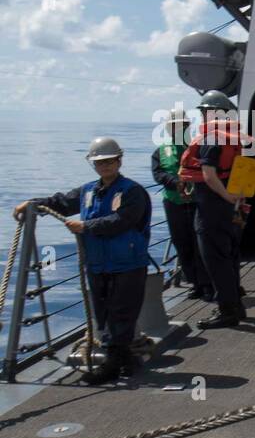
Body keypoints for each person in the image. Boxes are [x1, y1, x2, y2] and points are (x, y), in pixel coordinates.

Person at [13, 137, 152, 385]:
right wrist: (34, 204)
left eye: (109, 161)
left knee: (121, 312)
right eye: (99, 162)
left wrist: (87, 226)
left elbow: (123, 220)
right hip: (97, 264)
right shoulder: (88, 191)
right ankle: (123, 360)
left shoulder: (133, 192)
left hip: (127, 264)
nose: (105, 166)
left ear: (119, 161)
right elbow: (62, 202)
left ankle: (112, 364)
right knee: (103, 313)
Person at [179, 90, 246, 330]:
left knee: (215, 259)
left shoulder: (212, 138)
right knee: (230, 257)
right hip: (231, 208)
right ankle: (237, 305)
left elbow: (208, 175)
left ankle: (227, 311)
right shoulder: (234, 137)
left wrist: (224, 195)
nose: (205, 116)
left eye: (206, 112)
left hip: (212, 208)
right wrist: (234, 199)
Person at [151, 106, 212, 301]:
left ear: (187, 126)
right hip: (173, 203)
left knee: (200, 244)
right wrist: (175, 182)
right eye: (173, 126)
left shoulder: (198, 147)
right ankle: (194, 283)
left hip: (197, 203)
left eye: (181, 125)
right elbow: (158, 174)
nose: (177, 128)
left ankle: (207, 284)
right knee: (182, 243)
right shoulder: (160, 151)